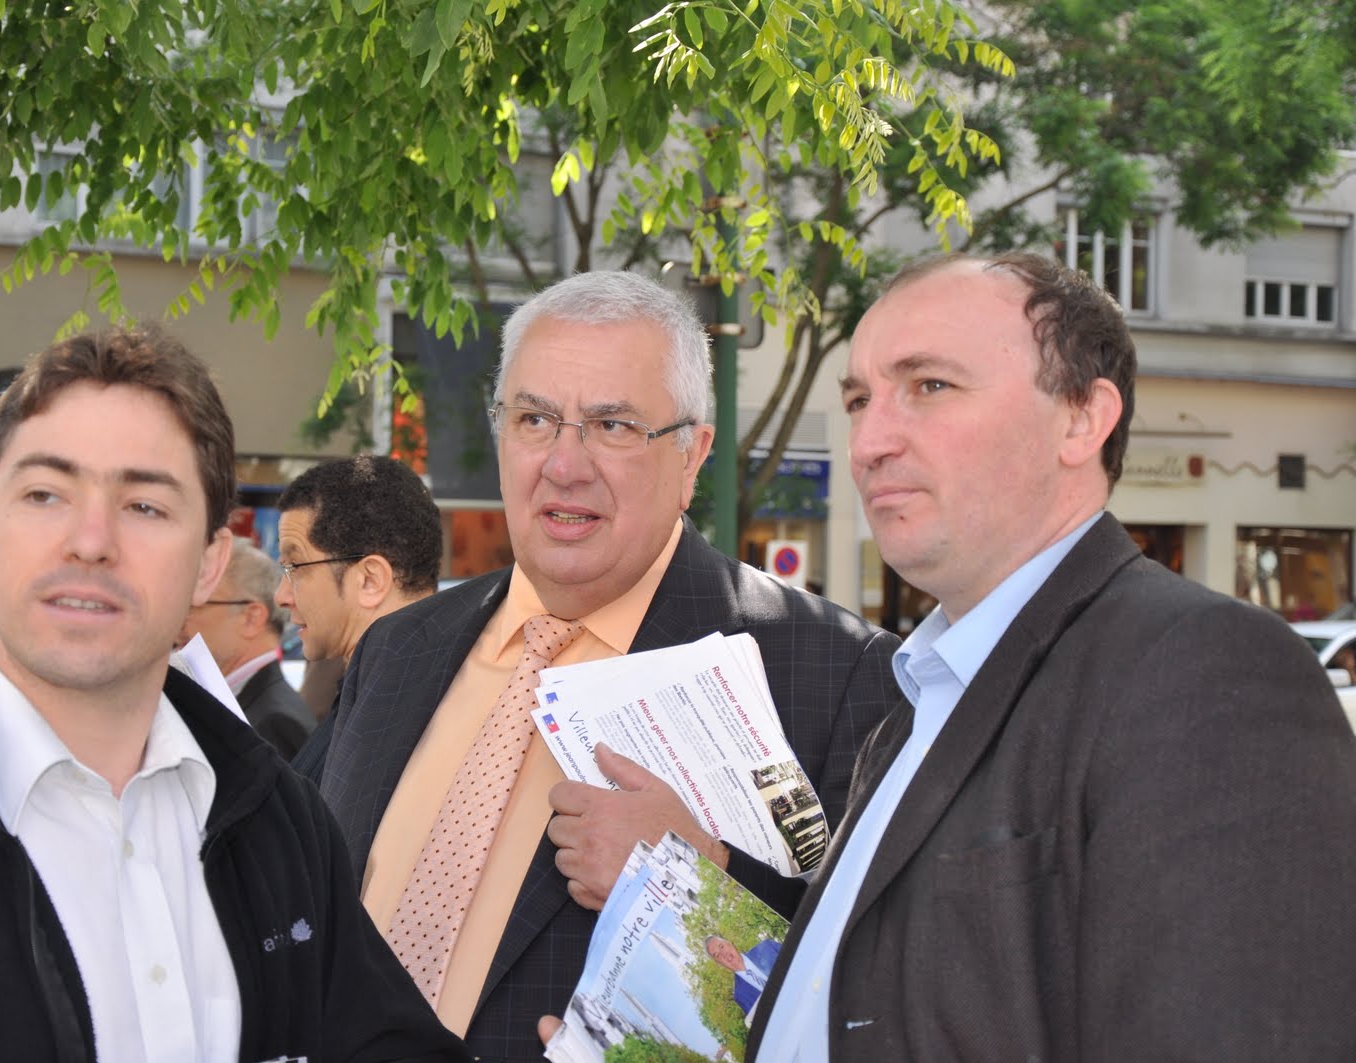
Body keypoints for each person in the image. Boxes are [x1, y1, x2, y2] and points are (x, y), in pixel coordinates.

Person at [0, 326, 468, 1063]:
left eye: (145, 506)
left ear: (207, 563)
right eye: (44, 493)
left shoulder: (279, 823)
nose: (90, 540)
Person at [746, 253, 1356, 1061]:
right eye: (859, 399)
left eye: (929, 385)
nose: (870, 441)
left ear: (1081, 418)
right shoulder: (915, 700)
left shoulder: (1205, 673)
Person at [315, 270, 901, 1059]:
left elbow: (880, 986)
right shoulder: (397, 649)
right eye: (534, 418)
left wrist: (696, 881)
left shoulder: (838, 674)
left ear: (693, 454)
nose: (564, 464)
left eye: (613, 425)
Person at [274, 454, 443, 781]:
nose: (281, 596)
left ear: (370, 580)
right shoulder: (372, 695)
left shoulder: (407, 719)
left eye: (294, 567)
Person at [177, 538, 316, 759]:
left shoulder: (275, 723)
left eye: (191, 606)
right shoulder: (250, 706)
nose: (178, 621)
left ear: (252, 618)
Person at [705, 935, 781, 1018]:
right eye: (717, 955)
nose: (723, 954)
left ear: (729, 943)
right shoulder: (740, 996)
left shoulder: (768, 947)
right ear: (719, 963)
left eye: (722, 946)